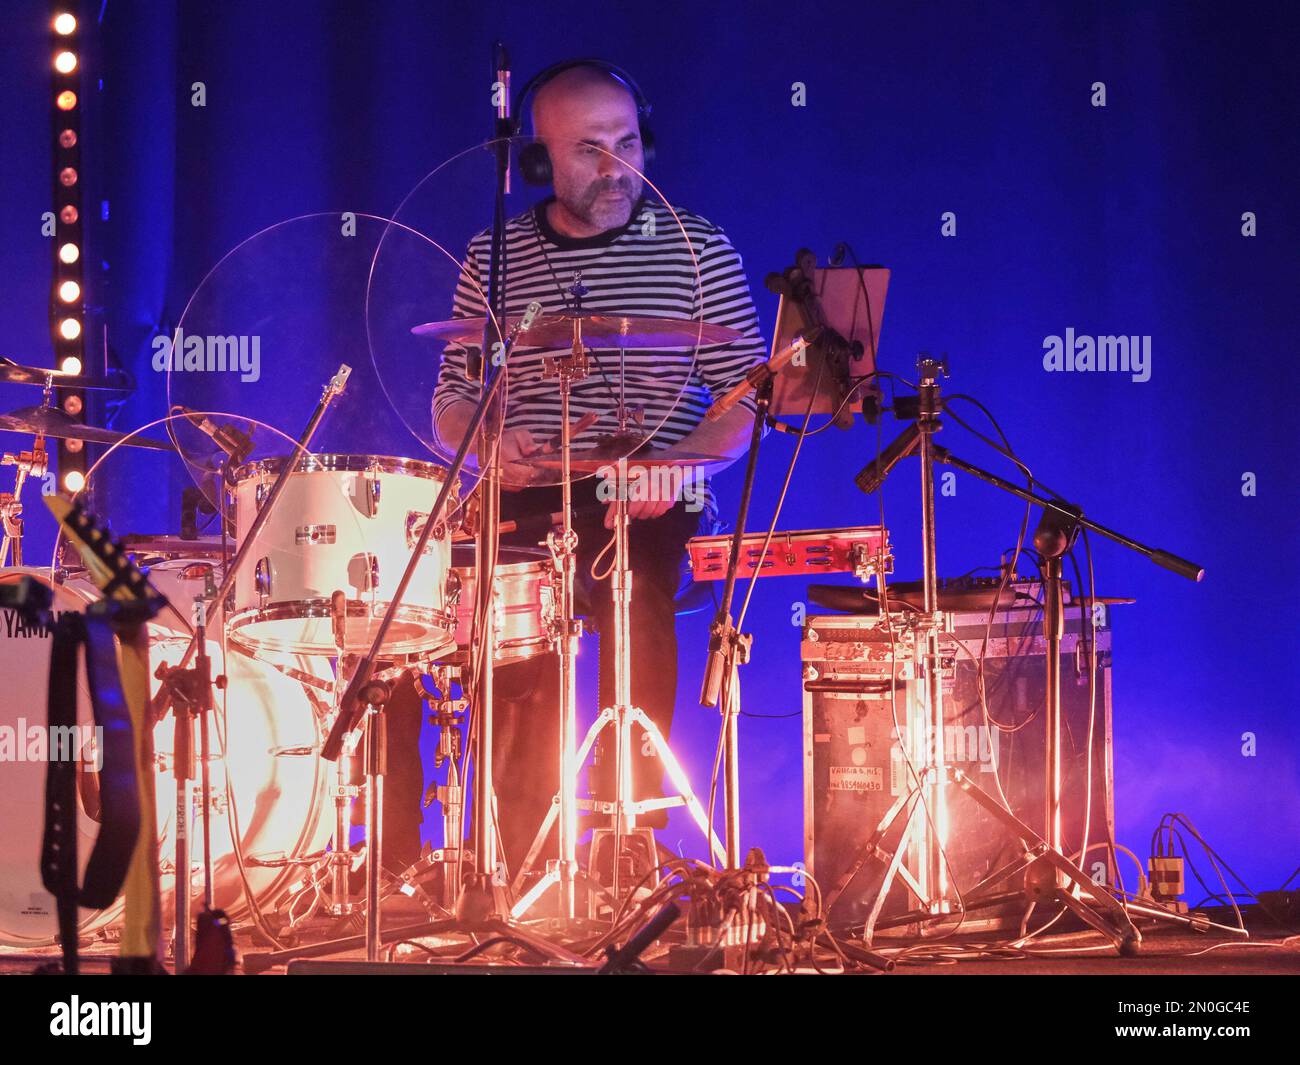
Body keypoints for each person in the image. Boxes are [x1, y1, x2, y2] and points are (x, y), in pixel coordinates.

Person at [385, 60, 768, 881]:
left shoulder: (698, 248)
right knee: (491, 621)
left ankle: (623, 836)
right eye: (590, 149)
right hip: (525, 491)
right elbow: (452, 398)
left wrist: (680, 462)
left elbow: (751, 393)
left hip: (646, 494)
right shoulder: (495, 256)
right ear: (539, 162)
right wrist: (486, 441)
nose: (616, 169)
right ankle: (521, 851)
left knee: (636, 599)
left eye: (628, 144)